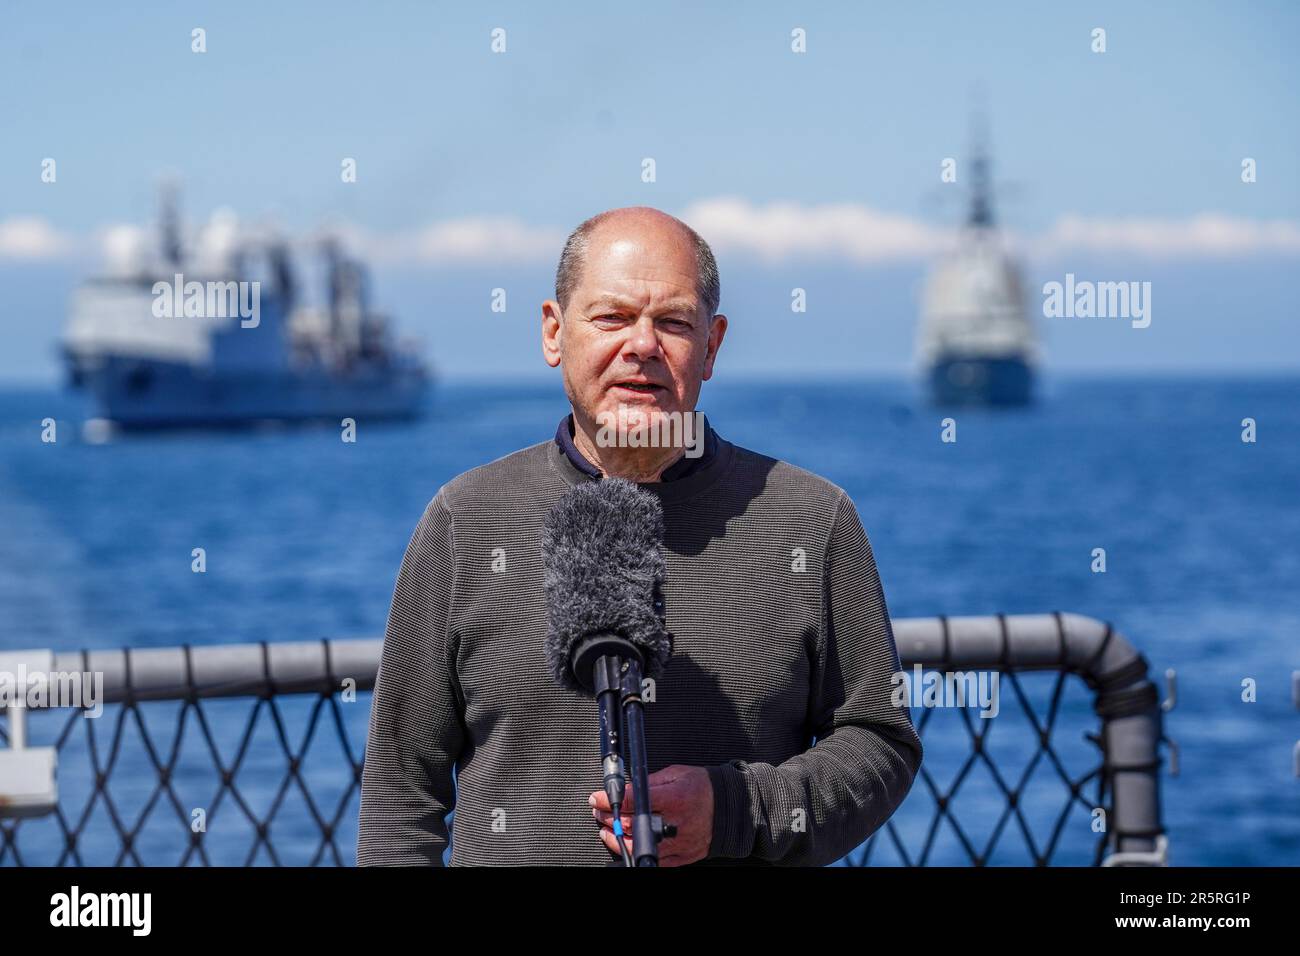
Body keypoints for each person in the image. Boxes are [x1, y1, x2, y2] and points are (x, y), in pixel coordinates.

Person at [357, 206, 922, 866]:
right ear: (553, 332)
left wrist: (739, 809)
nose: (643, 344)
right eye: (612, 317)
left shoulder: (813, 520)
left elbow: (881, 739)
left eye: (673, 322)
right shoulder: (464, 521)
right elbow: (400, 795)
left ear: (710, 347)